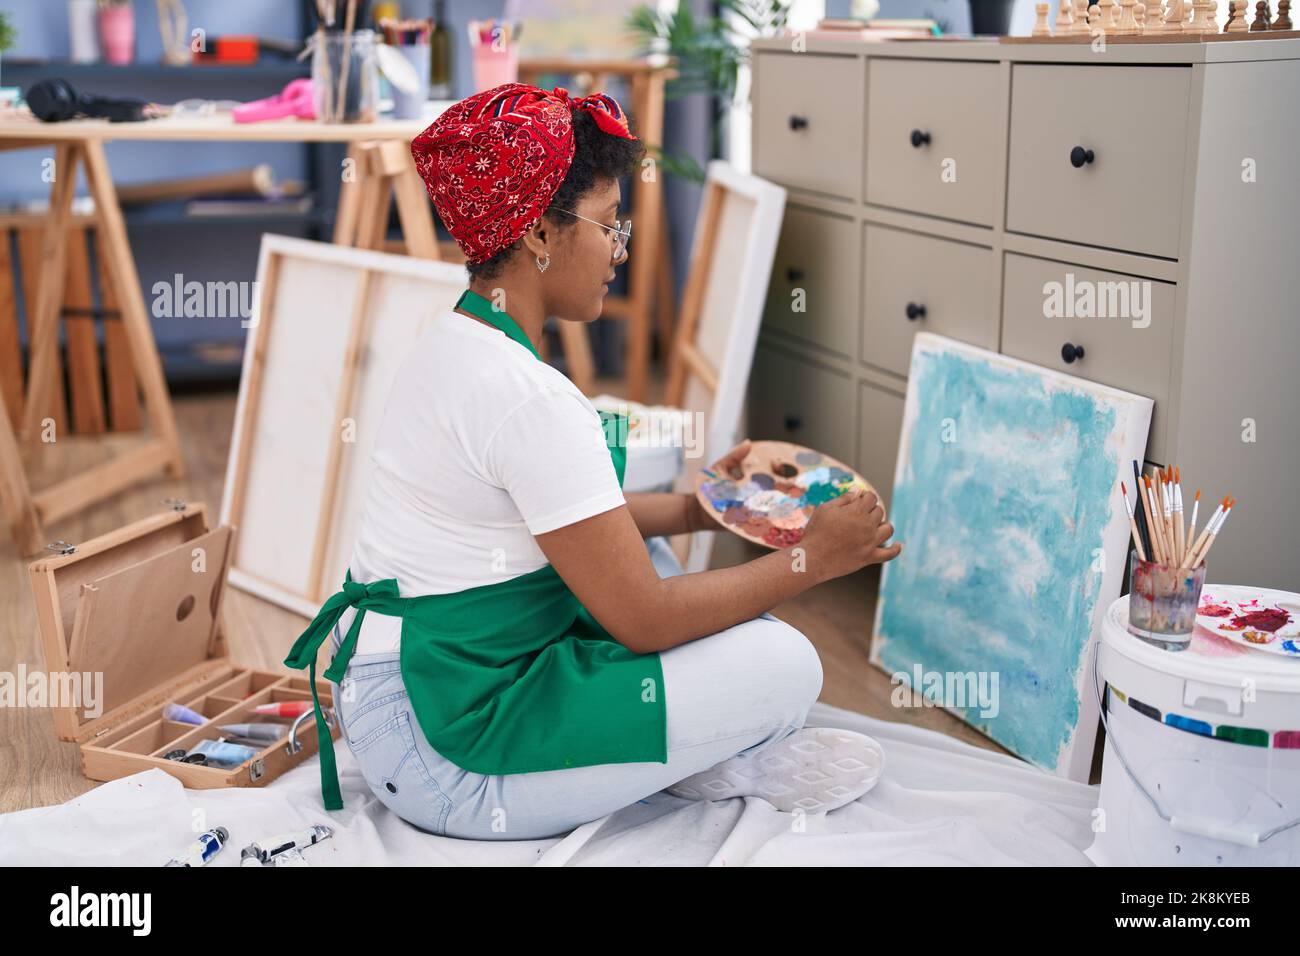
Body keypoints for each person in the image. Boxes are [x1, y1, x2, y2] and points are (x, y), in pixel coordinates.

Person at [284, 83, 903, 840]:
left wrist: (698, 504)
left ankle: (674, 760)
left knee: (651, 565)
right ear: (542, 233)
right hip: (443, 760)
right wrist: (815, 561)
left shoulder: (458, 342)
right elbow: (643, 621)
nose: (618, 249)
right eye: (610, 226)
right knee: (787, 664)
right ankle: (693, 766)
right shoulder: (526, 399)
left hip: (398, 696)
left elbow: (562, 522)